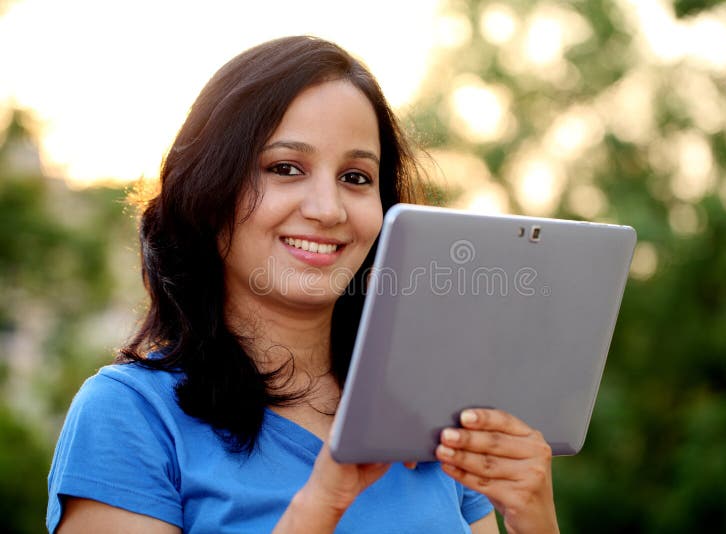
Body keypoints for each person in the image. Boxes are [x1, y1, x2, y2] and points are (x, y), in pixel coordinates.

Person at [46, 36, 559, 533]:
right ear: (209, 188)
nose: (327, 209)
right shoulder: (129, 415)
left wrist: (533, 515)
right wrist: (322, 504)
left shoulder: (432, 412)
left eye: (356, 178)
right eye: (285, 168)